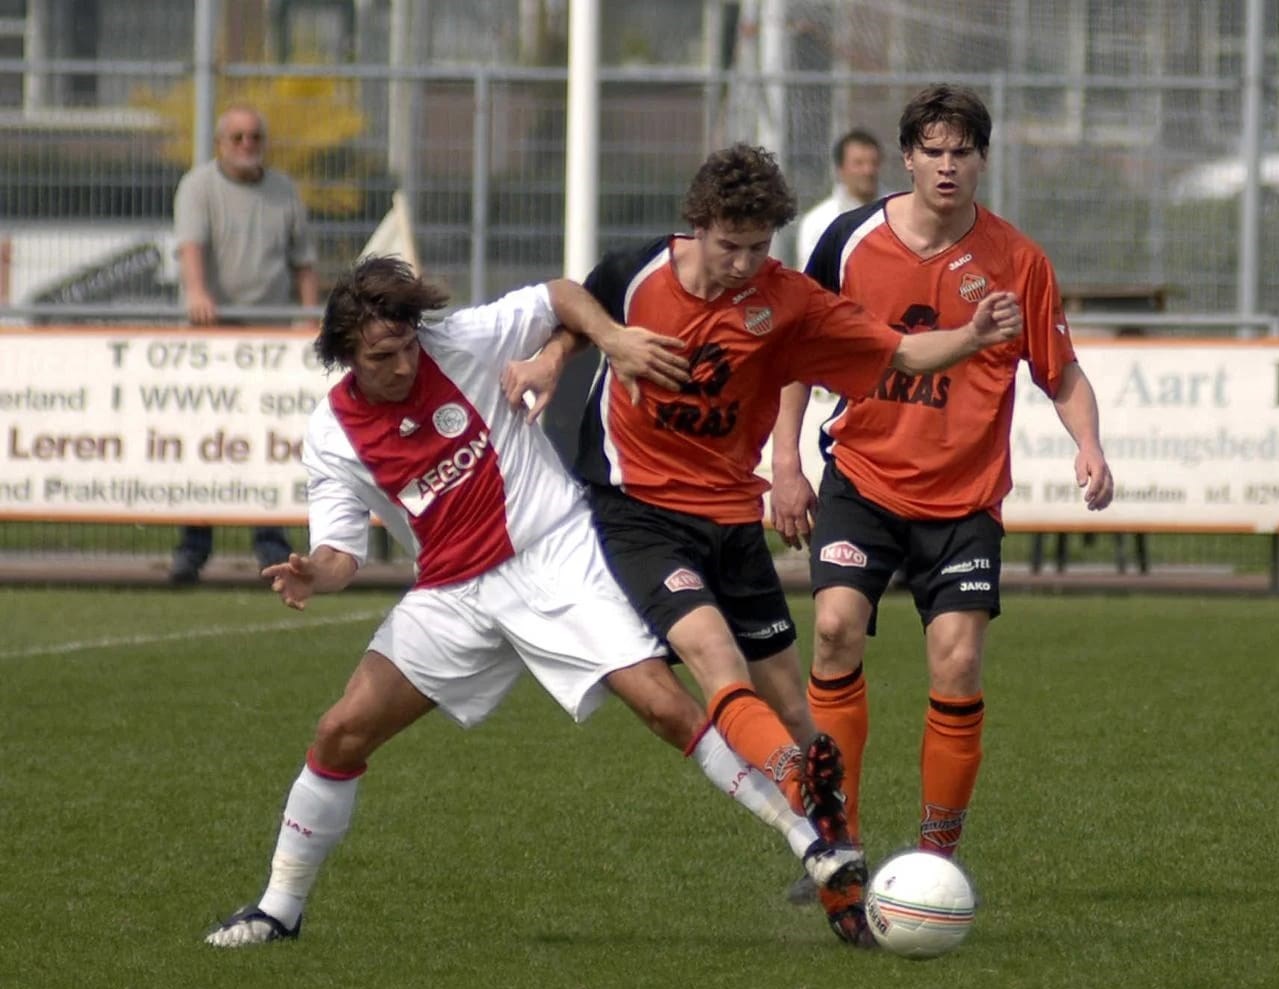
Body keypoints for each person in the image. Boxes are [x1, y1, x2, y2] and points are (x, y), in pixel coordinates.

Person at [203, 256, 862, 947]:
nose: (401, 364)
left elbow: (560, 295)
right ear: (347, 356)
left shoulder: (461, 339)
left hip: (555, 553)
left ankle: (807, 840)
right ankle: (280, 907)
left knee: (666, 706)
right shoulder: (332, 433)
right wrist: (317, 572)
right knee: (341, 729)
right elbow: (341, 551)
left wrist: (607, 338)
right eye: (381, 356)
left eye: (405, 346)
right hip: (454, 593)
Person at [502, 143, 1023, 945]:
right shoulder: (643, 272)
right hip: (638, 511)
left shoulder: (789, 303)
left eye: (759, 245)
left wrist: (973, 333)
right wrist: (584, 346)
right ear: (698, 225)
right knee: (717, 661)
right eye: (729, 244)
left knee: (797, 707)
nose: (745, 262)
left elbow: (900, 350)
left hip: (730, 518)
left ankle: (838, 873)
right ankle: (795, 788)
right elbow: (576, 298)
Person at [771, 84, 1115, 879]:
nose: (948, 164)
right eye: (934, 150)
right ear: (908, 158)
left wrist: (1089, 445)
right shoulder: (850, 243)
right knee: (831, 630)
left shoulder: (1017, 261)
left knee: (957, 662)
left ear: (982, 159)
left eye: (963, 151)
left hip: (963, 498)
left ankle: (936, 858)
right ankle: (837, 835)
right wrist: (786, 461)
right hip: (861, 478)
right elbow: (797, 353)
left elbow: (1061, 374)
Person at [169, 103, 320, 584]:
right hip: (214, 336)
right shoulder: (198, 187)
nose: (246, 146)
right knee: (205, 439)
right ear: (220, 143)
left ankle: (270, 544)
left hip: (269, 335)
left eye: (254, 137)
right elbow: (191, 247)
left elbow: (303, 262)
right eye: (236, 138)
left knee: (266, 439)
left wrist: (307, 317)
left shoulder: (284, 191)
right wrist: (198, 295)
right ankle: (193, 547)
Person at [794, 128, 882, 271]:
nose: (868, 171)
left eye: (873, 162)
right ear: (841, 169)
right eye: (859, 163)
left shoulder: (896, 210)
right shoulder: (819, 221)